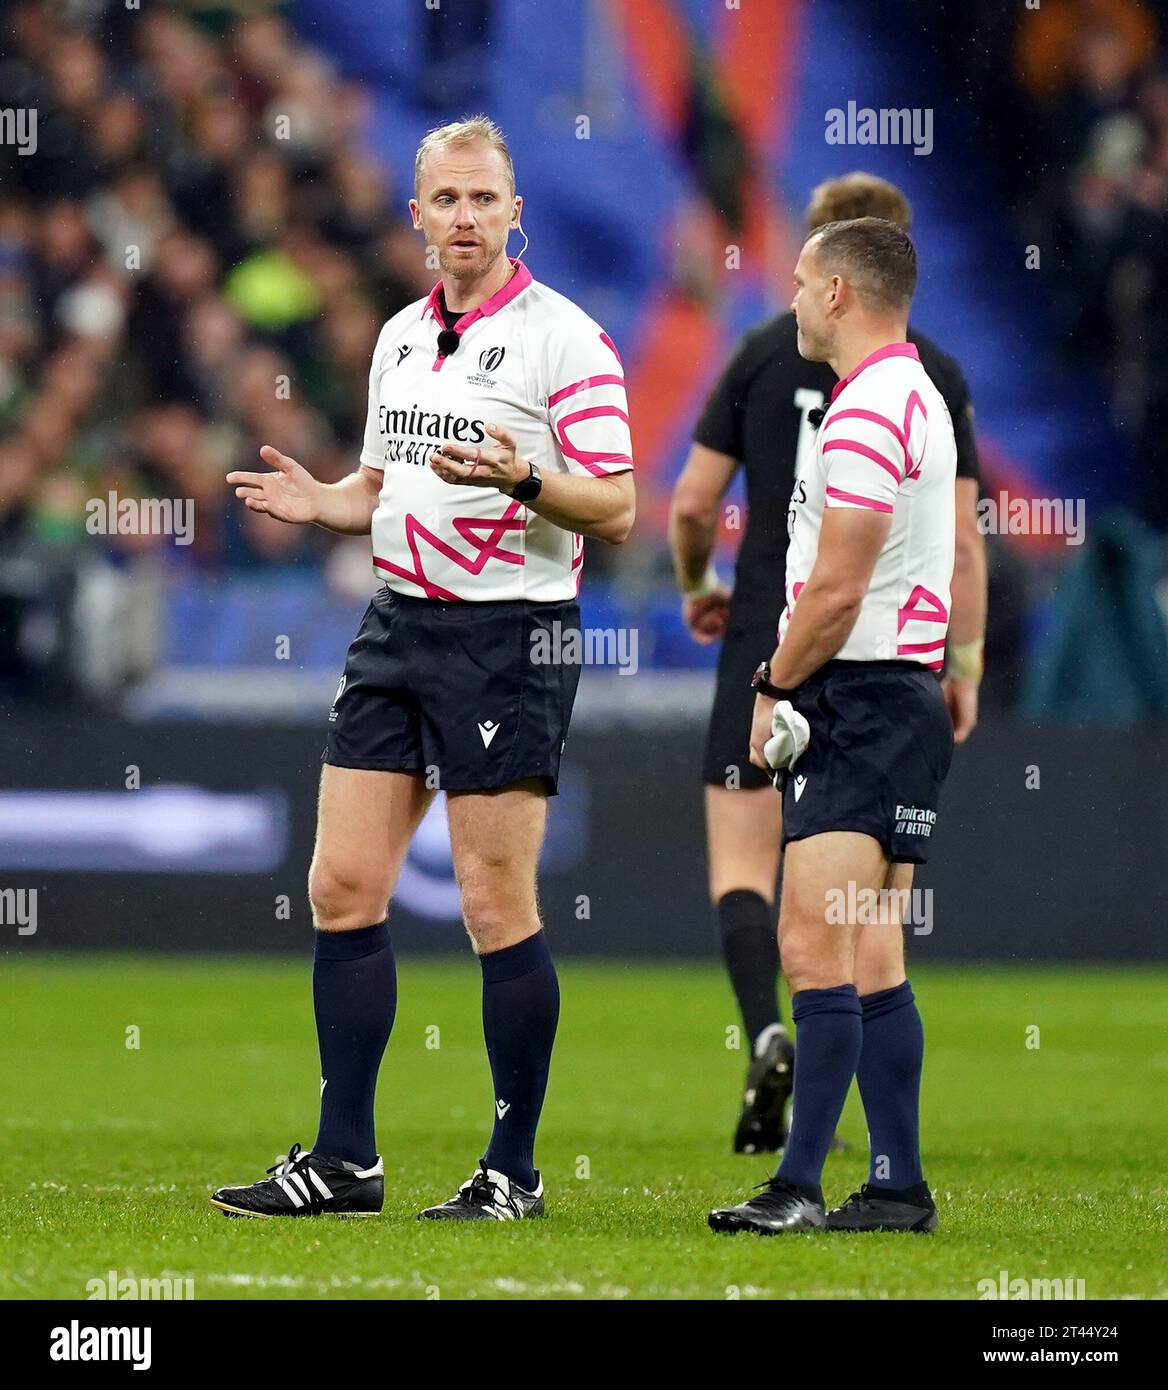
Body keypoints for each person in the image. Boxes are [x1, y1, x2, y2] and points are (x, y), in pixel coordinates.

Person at [209, 116, 635, 1222]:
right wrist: (326, 505)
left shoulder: (567, 341)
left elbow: (619, 503)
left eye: (483, 200)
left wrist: (525, 478)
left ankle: (514, 1170)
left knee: (495, 902)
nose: (463, 218)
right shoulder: (399, 334)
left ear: (514, 211)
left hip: (509, 635)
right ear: (415, 213)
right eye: (444, 200)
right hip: (396, 625)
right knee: (340, 883)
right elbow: (380, 485)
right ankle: (346, 1160)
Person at [669, 173, 985, 1155]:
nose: (791, 292)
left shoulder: (799, 374)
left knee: (795, 924)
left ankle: (797, 1154)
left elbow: (693, 509)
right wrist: (959, 657)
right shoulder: (930, 383)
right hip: (898, 673)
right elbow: (964, 543)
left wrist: (756, 662)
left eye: (804, 276)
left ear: (839, 281)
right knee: (873, 942)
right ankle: (890, 1177)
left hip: (821, 665)